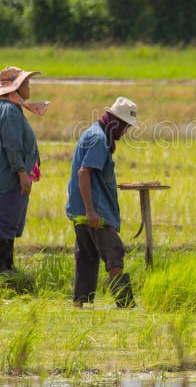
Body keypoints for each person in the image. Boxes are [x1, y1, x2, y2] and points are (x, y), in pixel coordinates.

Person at [66, 96, 138, 308]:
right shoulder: (98, 139)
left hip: (82, 210)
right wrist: (91, 212)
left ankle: (81, 306)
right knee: (114, 255)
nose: (125, 133)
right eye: (124, 127)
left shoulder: (96, 134)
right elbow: (84, 173)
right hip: (95, 212)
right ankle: (125, 306)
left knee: (87, 258)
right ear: (115, 122)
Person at [0, 67, 49, 275]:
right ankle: (0, 269)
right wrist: (22, 173)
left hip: (9, 172)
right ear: (16, 87)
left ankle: (7, 266)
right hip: (11, 175)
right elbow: (12, 145)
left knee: (9, 219)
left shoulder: (9, 108)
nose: (29, 87)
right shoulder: (9, 111)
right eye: (26, 84)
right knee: (5, 220)